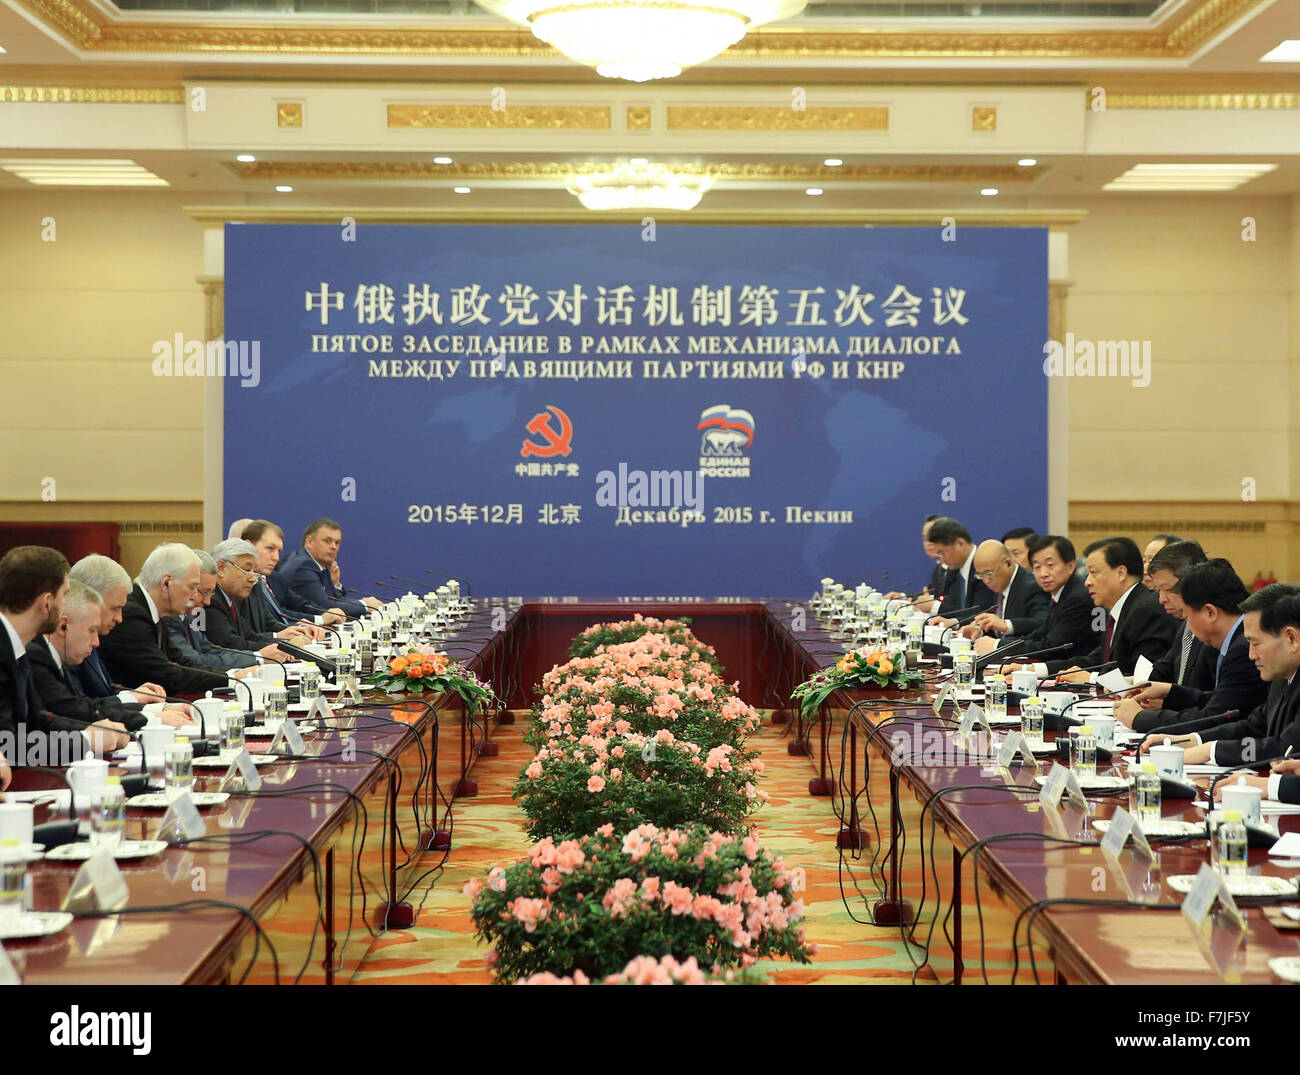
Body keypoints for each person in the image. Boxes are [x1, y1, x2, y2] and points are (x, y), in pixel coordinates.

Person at [0, 547, 128, 788]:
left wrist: (94, 729)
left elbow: (40, 720)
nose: (66, 604)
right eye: (65, 595)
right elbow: (7, 745)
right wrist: (86, 739)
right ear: (47, 603)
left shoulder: (17, 645)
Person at [1144, 584, 1300, 767]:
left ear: (1291, 639)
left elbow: (1285, 751)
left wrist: (1211, 751)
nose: (1251, 655)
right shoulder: (1283, 675)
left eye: (1256, 643)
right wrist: (1190, 741)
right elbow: (1252, 728)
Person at [1123, 558, 1266, 732]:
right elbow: (1221, 700)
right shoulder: (1234, 640)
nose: (1188, 626)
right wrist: (1170, 692)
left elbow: (1216, 717)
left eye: (1188, 617)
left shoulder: (1245, 649)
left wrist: (1139, 718)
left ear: (1210, 612)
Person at [26, 580, 189, 731]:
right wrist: (152, 718)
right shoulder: (36, 657)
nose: (96, 642)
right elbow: (77, 713)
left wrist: (156, 709)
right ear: (63, 626)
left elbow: (87, 706)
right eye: (92, 631)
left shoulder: (59, 657)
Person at [96, 543, 232, 695]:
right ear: (166, 582)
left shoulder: (152, 611)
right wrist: (230, 680)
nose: (195, 596)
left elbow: (181, 663)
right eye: (192, 587)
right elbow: (167, 675)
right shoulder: (132, 615)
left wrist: (231, 677)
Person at [1046, 536, 1176, 679]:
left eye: (1093, 573)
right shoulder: (1121, 609)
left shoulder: (1146, 611)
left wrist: (1091, 679)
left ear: (1121, 573)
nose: (1087, 582)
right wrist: (1035, 669)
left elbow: (1143, 678)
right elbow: (1098, 661)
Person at [68, 553, 170, 707]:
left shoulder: (93, 641)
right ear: (89, 598)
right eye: (115, 608)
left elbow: (104, 695)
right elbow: (78, 709)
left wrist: (133, 695)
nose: (120, 618)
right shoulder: (66, 647)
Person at [990, 535, 1101, 665]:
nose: (1043, 573)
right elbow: (1039, 635)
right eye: (1037, 567)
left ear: (1071, 566)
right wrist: (1002, 645)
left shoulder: (1076, 598)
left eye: (1050, 565)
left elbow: (1051, 647)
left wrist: (999, 645)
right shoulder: (1060, 593)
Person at [162, 550, 261, 672]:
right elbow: (194, 660)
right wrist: (257, 658)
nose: (208, 602)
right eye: (203, 592)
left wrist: (259, 657)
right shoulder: (166, 617)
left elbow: (210, 649)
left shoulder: (188, 616)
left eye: (211, 593)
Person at [241, 519, 337, 634]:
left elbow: (298, 605)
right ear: (249, 546)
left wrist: (302, 628)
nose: (276, 557)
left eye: (279, 551)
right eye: (270, 549)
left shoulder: (273, 578)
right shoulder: (242, 586)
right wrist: (320, 620)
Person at [279, 518, 384, 619]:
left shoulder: (317, 563)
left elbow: (333, 599)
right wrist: (365, 605)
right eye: (327, 541)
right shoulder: (303, 567)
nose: (334, 547)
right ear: (309, 541)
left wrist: (335, 585)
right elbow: (326, 607)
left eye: (337, 542)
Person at [960, 540, 1049, 643]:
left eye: (988, 573)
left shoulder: (1032, 586)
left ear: (1008, 563)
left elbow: (1042, 623)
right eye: (980, 575)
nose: (986, 581)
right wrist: (979, 631)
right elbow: (998, 631)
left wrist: (1006, 625)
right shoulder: (1000, 585)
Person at [925, 517, 994, 623]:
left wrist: (937, 608)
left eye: (943, 553)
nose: (942, 560)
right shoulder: (954, 569)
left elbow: (981, 613)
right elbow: (955, 607)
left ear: (960, 544)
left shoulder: (984, 565)